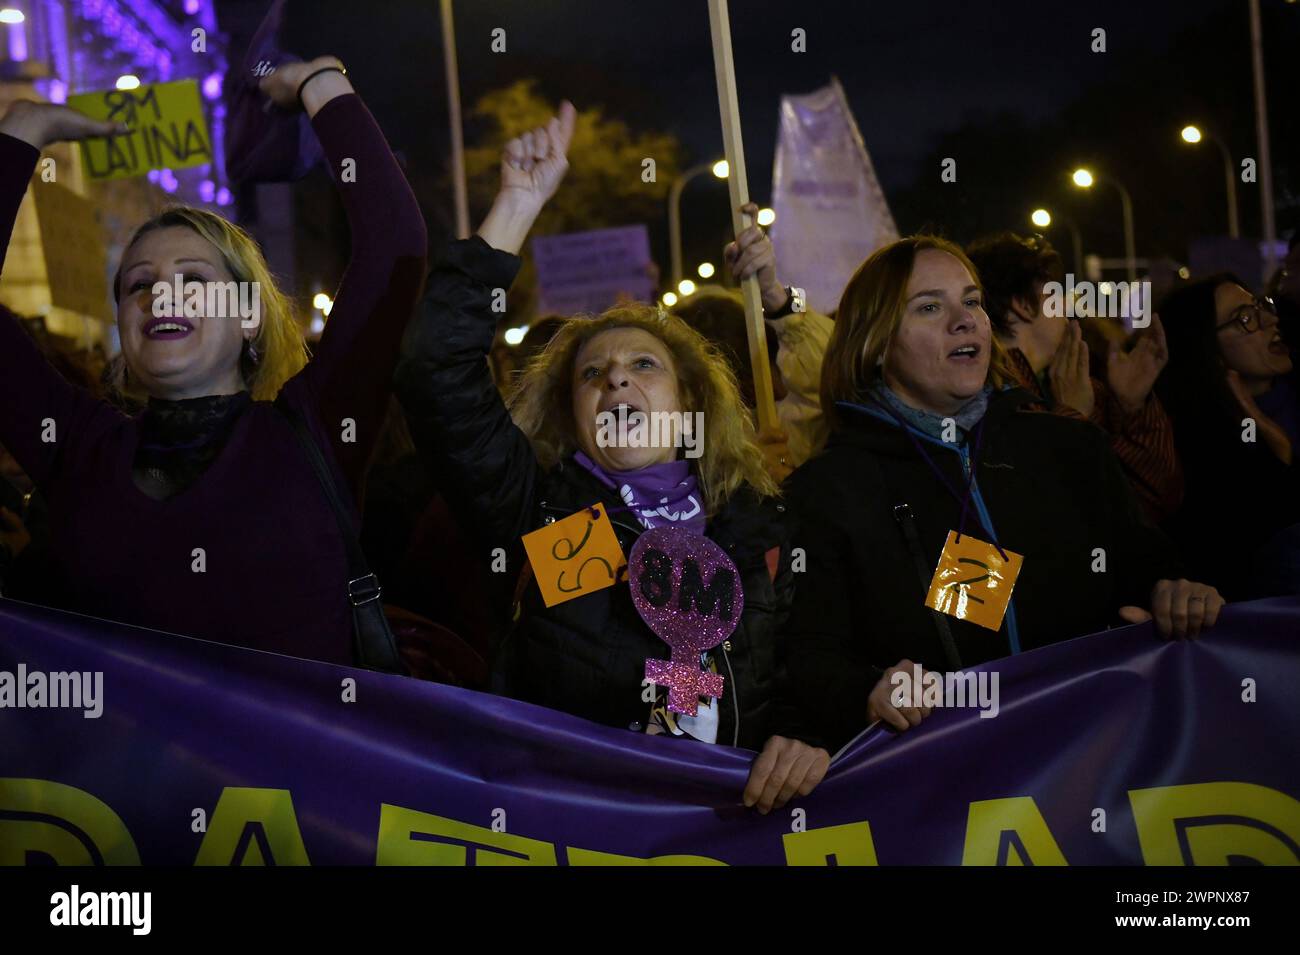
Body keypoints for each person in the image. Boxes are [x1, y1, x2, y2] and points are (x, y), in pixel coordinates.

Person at [394, 102, 828, 814]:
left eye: (642, 365)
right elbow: (433, 367)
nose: (616, 379)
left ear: (691, 403)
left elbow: (809, 673)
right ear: (573, 415)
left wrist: (805, 738)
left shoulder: (761, 525)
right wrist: (515, 207)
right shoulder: (538, 513)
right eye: (592, 375)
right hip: (579, 830)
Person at [0, 56, 427, 664]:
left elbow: (394, 245)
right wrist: (23, 132)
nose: (161, 294)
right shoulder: (76, 447)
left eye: (193, 278)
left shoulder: (315, 428)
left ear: (248, 315)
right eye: (137, 284)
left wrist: (318, 83)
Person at [783, 235, 1223, 752]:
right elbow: (811, 660)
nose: (965, 320)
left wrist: (1175, 591)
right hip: (951, 790)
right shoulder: (831, 488)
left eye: (971, 301)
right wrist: (869, 690)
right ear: (875, 344)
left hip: (1095, 766)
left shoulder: (1070, 447)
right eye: (929, 307)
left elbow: (1146, 567)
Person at [966, 232, 1182, 522]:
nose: (1068, 305)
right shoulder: (978, 399)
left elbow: (1151, 502)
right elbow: (1028, 520)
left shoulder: (1067, 385)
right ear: (1023, 304)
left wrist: (1132, 408)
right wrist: (1071, 419)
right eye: (1055, 291)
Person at [1157, 274, 1300, 599]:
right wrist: (1278, 450)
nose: (1270, 320)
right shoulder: (1201, 445)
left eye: (1259, 306)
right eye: (1244, 319)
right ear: (1207, 346)